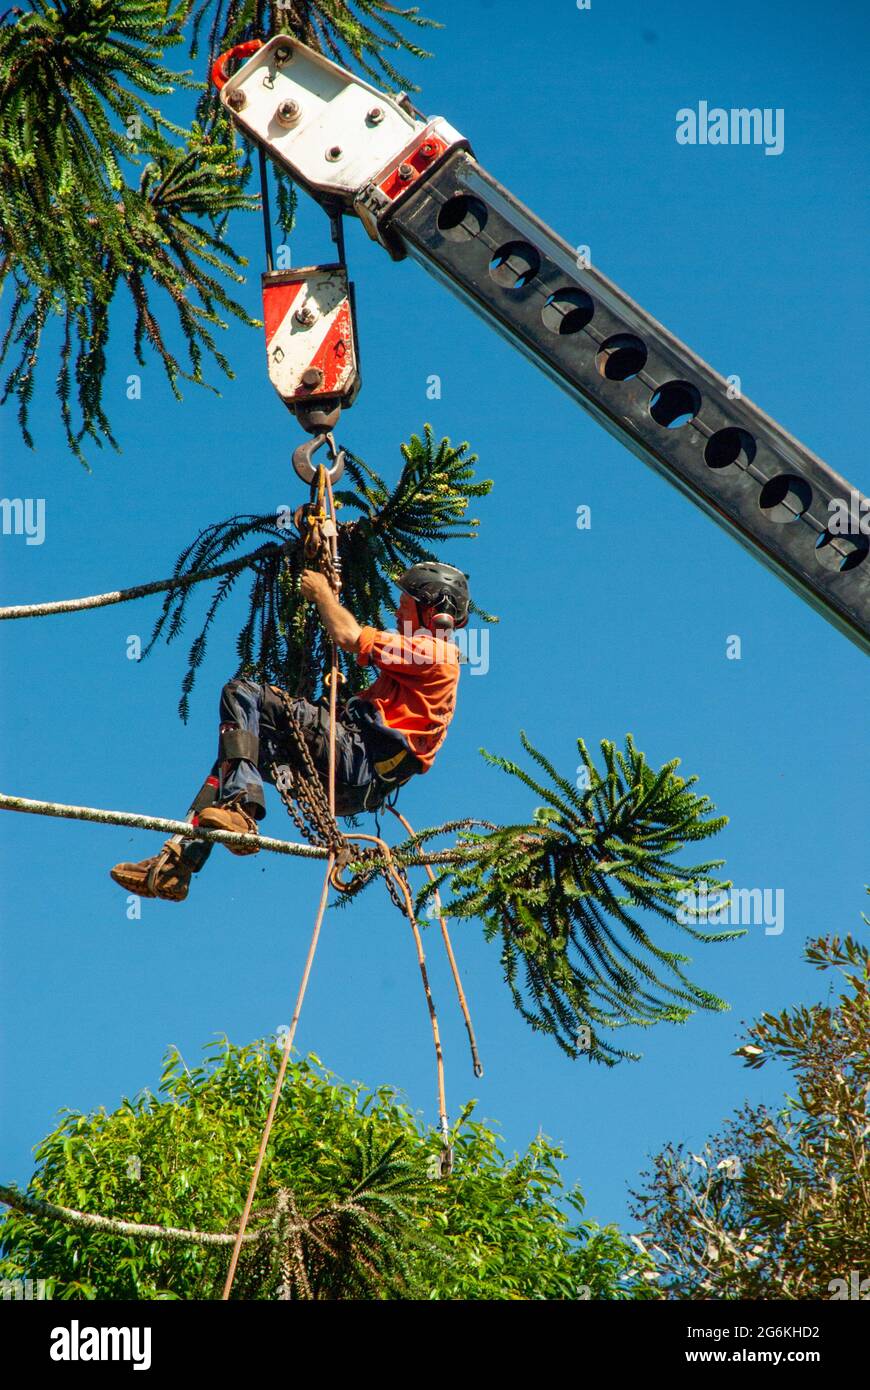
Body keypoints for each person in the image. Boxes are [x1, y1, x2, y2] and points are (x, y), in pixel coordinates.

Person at [109, 562, 470, 903]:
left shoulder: (434, 653)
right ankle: (178, 863)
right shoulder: (419, 664)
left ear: (434, 612)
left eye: (405, 605)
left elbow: (348, 634)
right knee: (236, 752)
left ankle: (241, 808)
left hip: (354, 761)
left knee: (242, 693)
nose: (397, 614)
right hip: (355, 781)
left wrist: (322, 594)